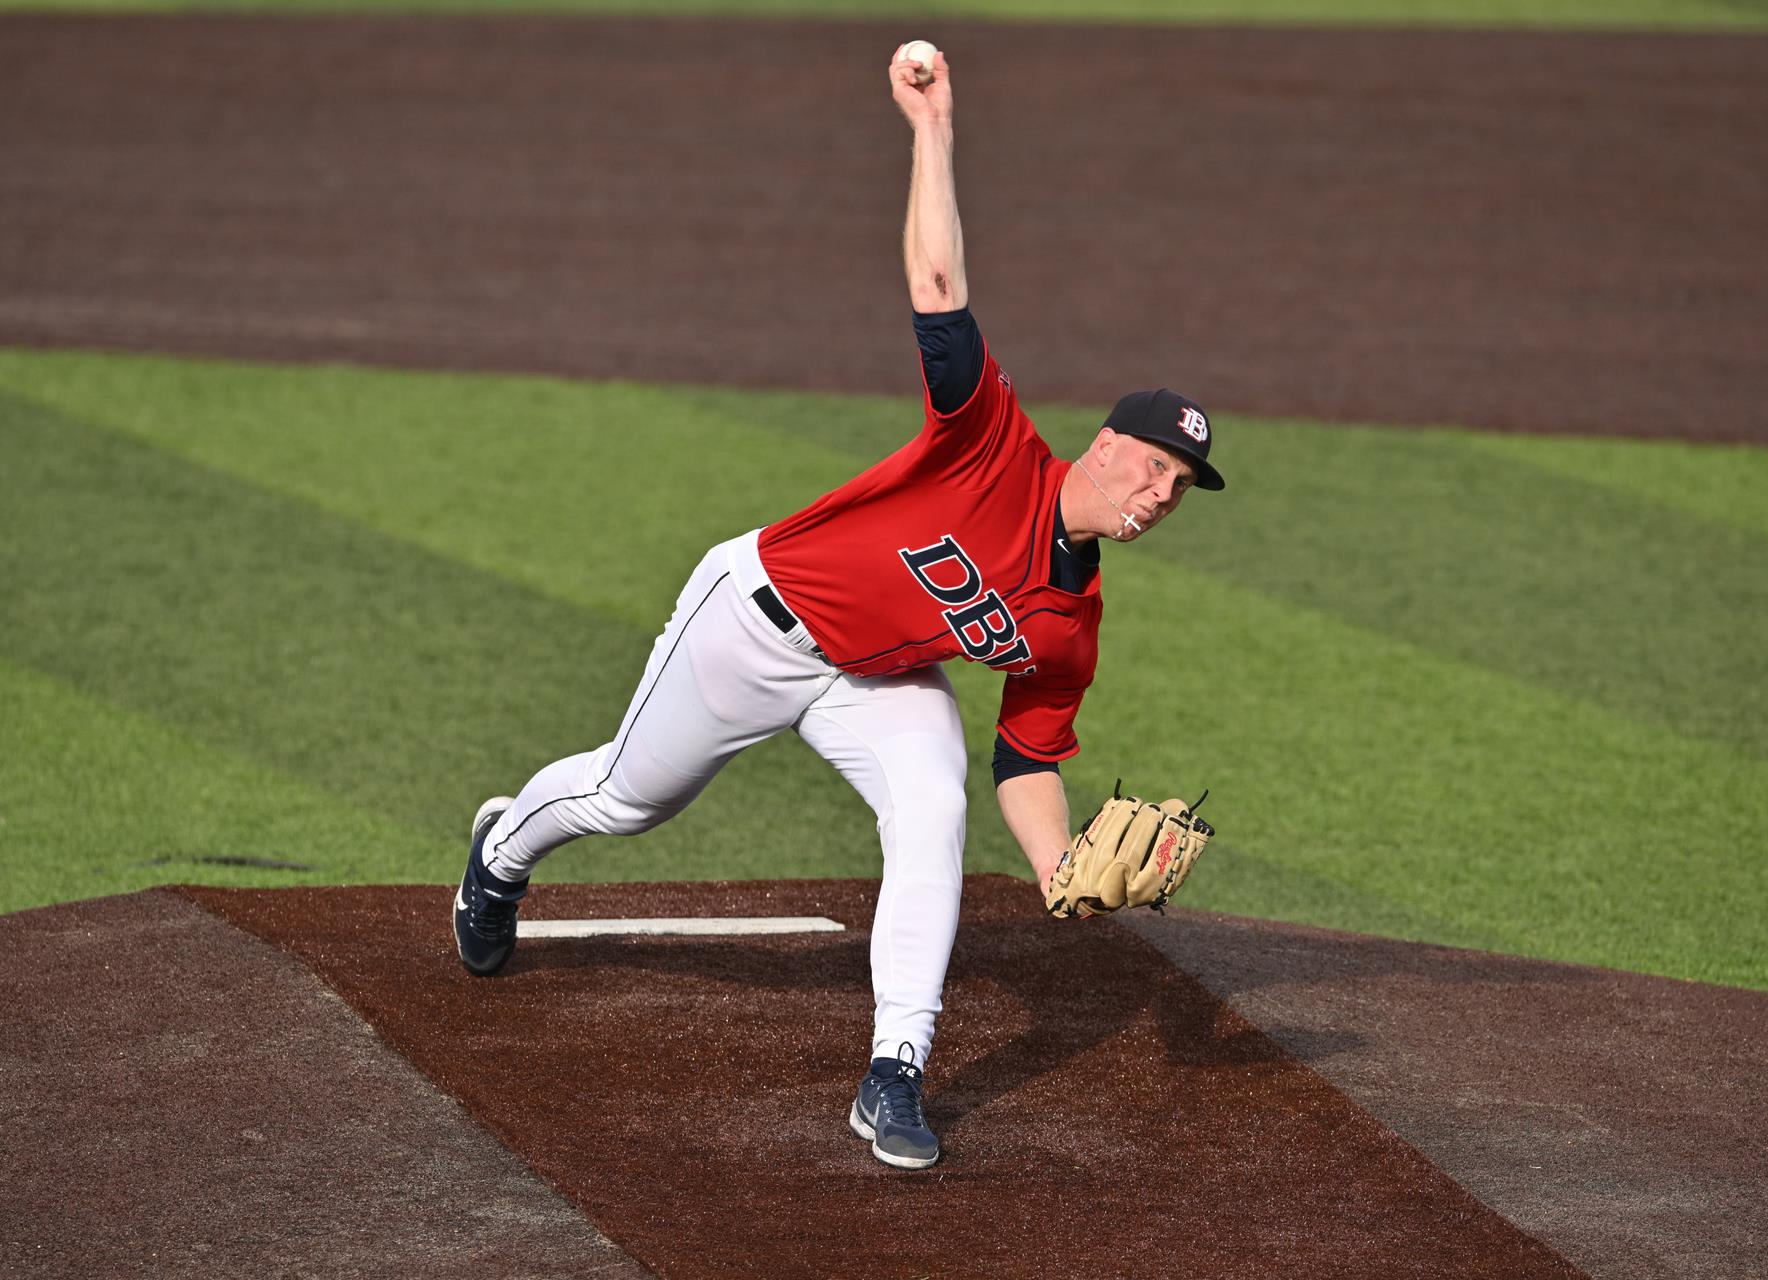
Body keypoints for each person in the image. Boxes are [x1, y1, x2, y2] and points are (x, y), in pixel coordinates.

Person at [451, 43, 1224, 1170]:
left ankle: (892, 1070)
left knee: (936, 806)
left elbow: (1025, 758)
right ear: (1104, 448)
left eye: (1177, 489)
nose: (1159, 494)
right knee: (627, 798)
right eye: (1151, 467)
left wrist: (1059, 866)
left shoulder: (1071, 625)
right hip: (755, 620)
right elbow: (937, 292)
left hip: (877, 678)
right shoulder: (991, 443)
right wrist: (932, 133)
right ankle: (501, 850)